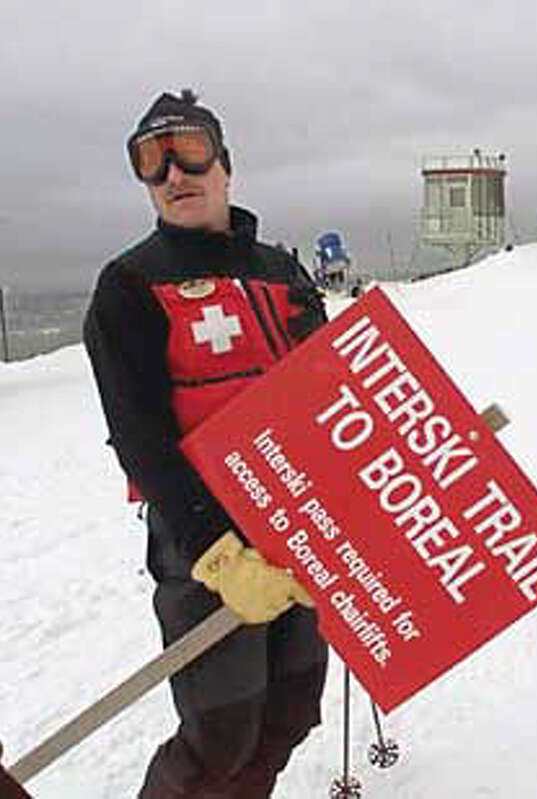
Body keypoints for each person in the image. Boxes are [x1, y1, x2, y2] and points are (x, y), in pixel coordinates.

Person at [83, 89, 329, 797]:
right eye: (150, 162)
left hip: (299, 520)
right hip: (205, 538)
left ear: (224, 163)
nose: (172, 175)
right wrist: (215, 550)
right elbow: (140, 436)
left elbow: (331, 388)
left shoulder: (281, 271)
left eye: (188, 151)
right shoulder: (129, 285)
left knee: (292, 706)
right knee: (221, 728)